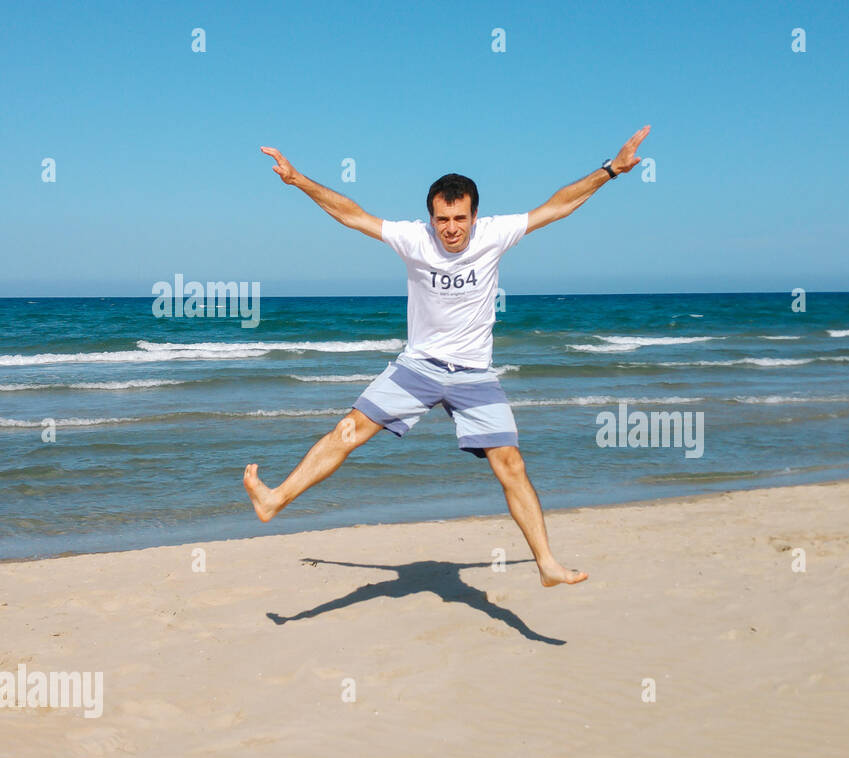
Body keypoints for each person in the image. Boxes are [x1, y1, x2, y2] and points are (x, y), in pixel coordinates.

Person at [244, 126, 651, 587]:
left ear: (475, 216)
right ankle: (273, 499)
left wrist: (610, 170)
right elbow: (352, 215)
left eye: (460, 218)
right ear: (431, 219)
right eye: (442, 219)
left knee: (510, 464)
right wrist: (298, 180)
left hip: (474, 374)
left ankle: (546, 565)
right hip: (418, 366)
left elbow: (557, 206)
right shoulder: (413, 239)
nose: (451, 228)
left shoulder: (495, 235)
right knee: (348, 430)